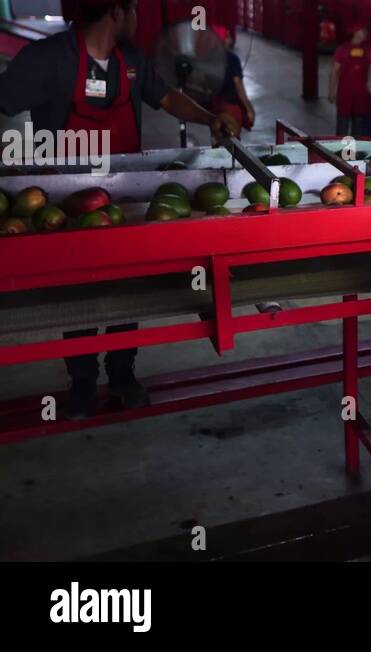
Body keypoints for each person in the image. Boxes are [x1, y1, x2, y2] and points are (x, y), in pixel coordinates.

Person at [0, 0, 241, 419]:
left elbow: (167, 97)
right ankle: (82, 381)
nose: (138, 19)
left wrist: (210, 118)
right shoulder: (49, 58)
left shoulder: (131, 60)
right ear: (116, 12)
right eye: (133, 9)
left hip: (125, 196)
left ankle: (123, 374)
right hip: (68, 203)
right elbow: (4, 97)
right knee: (82, 290)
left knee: (128, 287)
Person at [328, 24, 371, 136]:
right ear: (355, 32)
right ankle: (342, 151)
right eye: (361, 31)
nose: (364, 34)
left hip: (359, 95)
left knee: (357, 128)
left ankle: (354, 151)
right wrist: (331, 91)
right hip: (346, 94)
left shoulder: (366, 50)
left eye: (365, 32)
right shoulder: (343, 50)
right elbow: (334, 72)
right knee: (344, 127)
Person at [210, 24, 255, 132]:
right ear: (223, 40)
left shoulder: (209, 59)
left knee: (217, 138)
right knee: (232, 142)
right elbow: (238, 85)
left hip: (214, 107)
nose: (230, 39)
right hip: (230, 107)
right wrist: (248, 107)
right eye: (228, 36)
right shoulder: (232, 59)